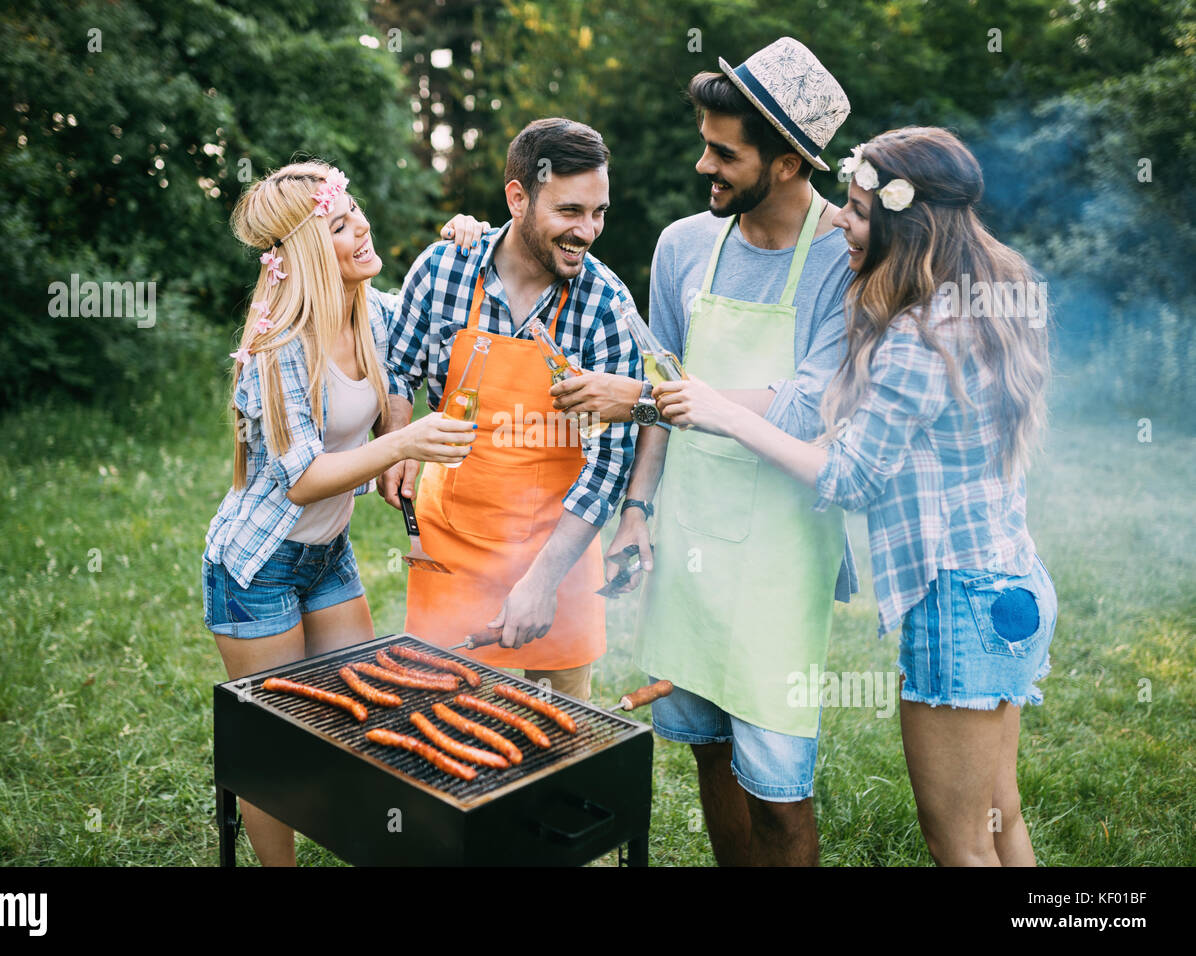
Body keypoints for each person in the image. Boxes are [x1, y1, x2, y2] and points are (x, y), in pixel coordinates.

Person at [655, 126, 1056, 867]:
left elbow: (850, 477)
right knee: (1001, 820)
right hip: (1014, 588)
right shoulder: (996, 294)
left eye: (861, 210)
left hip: (956, 602)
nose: (842, 219)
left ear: (909, 225)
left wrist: (721, 411)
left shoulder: (918, 334)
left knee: (962, 845)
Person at [561, 38, 859, 866]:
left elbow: (806, 406)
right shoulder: (686, 244)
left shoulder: (848, 252)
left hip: (779, 555)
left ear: (792, 162)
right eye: (706, 143)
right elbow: (662, 390)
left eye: (724, 152)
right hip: (690, 532)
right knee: (709, 758)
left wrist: (648, 395)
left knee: (779, 790)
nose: (704, 165)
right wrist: (636, 511)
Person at [202, 160, 480, 865]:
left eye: (354, 211)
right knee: (276, 743)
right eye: (339, 224)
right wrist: (404, 442)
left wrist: (467, 243)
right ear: (302, 255)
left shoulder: (376, 313)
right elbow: (303, 480)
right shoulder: (278, 348)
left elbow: (448, 319)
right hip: (256, 567)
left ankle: (372, 845)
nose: (361, 227)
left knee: (365, 716)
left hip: (327, 556)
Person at [379, 118, 641, 701]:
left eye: (599, 212)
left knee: (559, 740)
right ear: (517, 198)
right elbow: (399, 366)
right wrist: (396, 437)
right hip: (450, 541)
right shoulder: (442, 271)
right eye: (570, 211)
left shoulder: (604, 304)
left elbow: (610, 461)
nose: (588, 231)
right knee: (445, 720)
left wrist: (543, 581)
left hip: (561, 552)